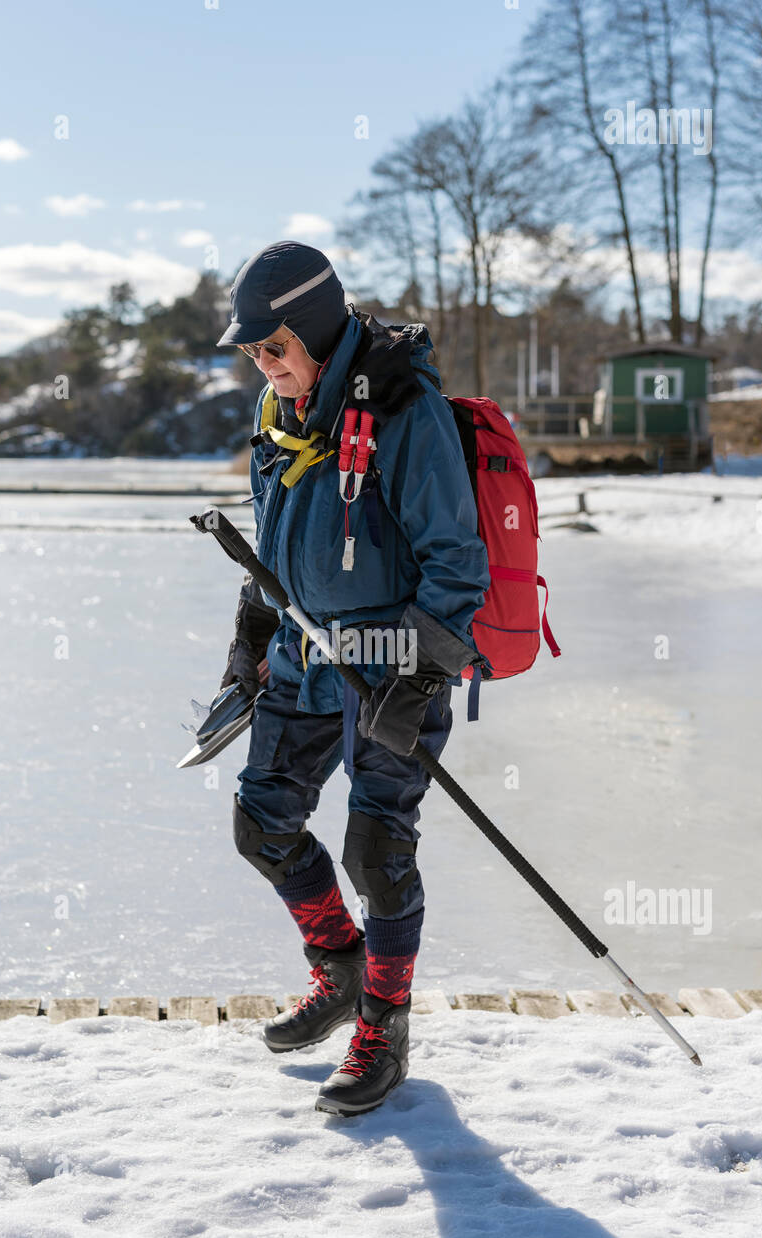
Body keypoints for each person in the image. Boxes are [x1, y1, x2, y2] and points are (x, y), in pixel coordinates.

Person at [213, 240, 489, 1116]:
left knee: (378, 850)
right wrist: (249, 641)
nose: (263, 366)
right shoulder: (276, 411)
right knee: (262, 823)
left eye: (273, 348)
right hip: (301, 658)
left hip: (389, 669)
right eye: (255, 352)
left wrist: (415, 678)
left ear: (318, 332)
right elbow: (273, 548)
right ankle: (338, 969)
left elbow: (456, 565)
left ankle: (384, 1025)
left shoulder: (405, 411)